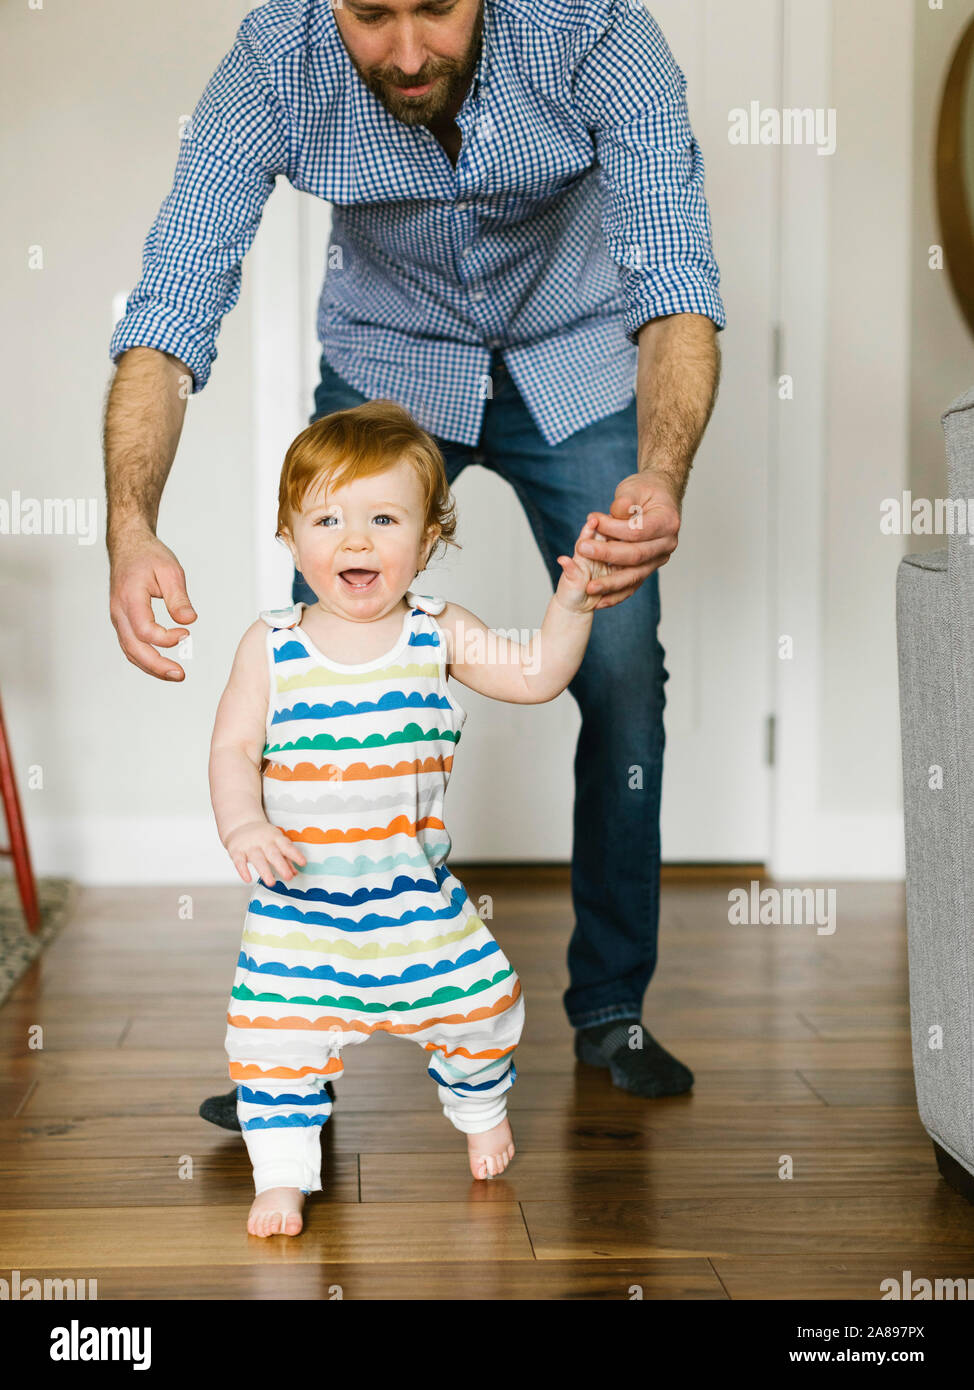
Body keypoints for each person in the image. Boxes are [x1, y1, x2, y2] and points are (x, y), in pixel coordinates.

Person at [104, 0, 725, 1127]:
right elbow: (174, 295)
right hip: (387, 373)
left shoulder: (595, 32)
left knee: (622, 675)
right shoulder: (276, 56)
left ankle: (609, 1008)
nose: (402, 53)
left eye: (434, 8)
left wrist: (661, 468)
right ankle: (297, 1048)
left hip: (578, 362)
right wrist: (130, 523)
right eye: (368, 14)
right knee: (309, 693)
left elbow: (675, 281)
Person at [211, 398, 606, 1234]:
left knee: (480, 1005)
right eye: (327, 518)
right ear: (290, 538)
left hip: (414, 902)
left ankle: (479, 1110)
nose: (354, 540)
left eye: (383, 518)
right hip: (299, 915)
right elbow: (232, 752)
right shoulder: (271, 644)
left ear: (427, 541)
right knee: (270, 1044)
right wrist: (244, 824)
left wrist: (571, 603)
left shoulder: (439, 633)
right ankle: (280, 1176)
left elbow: (536, 674)